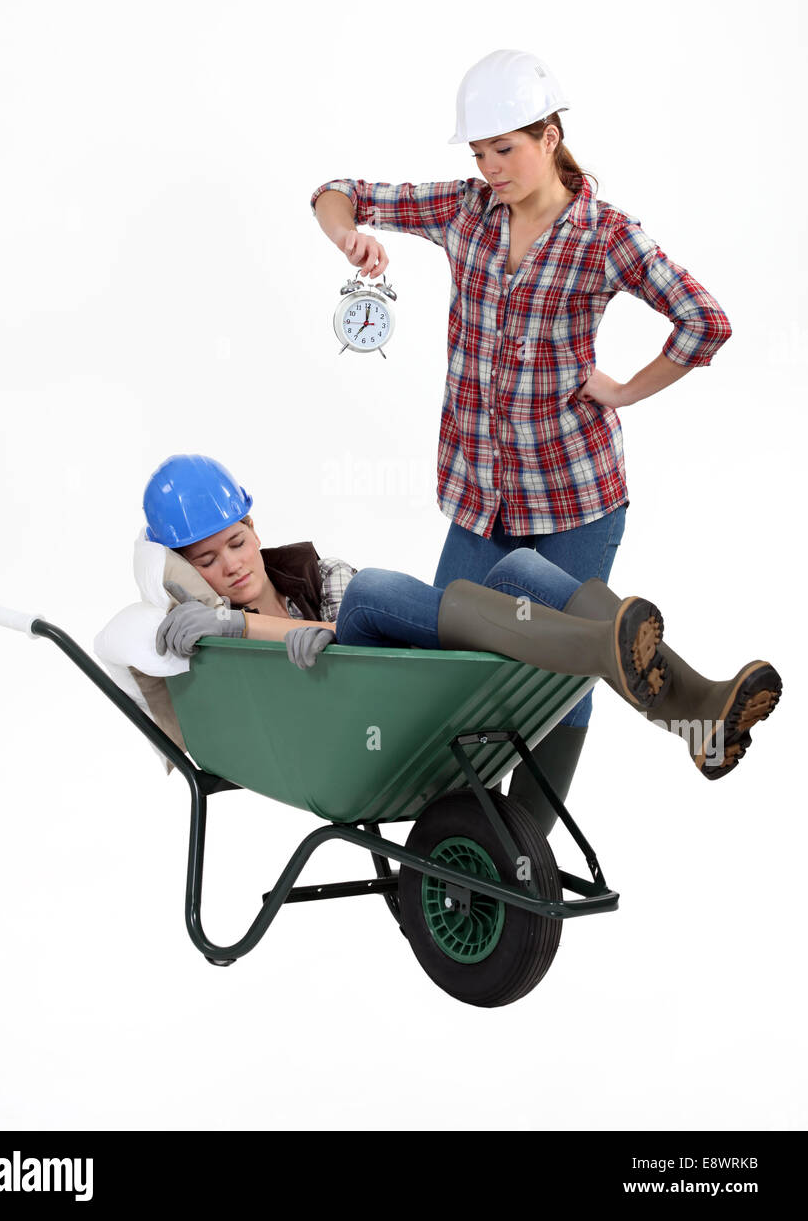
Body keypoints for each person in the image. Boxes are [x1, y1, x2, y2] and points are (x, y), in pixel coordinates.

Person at [310, 48, 734, 816]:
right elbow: (336, 192)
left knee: (565, 672)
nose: (491, 168)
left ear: (549, 135)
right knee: (455, 662)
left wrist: (629, 391)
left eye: (504, 148)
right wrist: (349, 238)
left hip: (576, 494)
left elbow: (706, 322)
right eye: (478, 152)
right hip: (480, 498)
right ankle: (465, 825)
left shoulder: (605, 237)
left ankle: (530, 835)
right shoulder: (463, 211)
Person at [114, 456, 781, 836]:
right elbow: (316, 646)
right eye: (206, 560)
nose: (231, 565)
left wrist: (269, 625)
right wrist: (236, 625)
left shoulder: (311, 575)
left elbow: (331, 630)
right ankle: (604, 648)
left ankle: (697, 711)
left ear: (254, 528)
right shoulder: (208, 634)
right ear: (183, 569)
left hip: (412, 691)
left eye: (237, 541)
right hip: (363, 725)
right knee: (375, 589)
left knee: (520, 568)